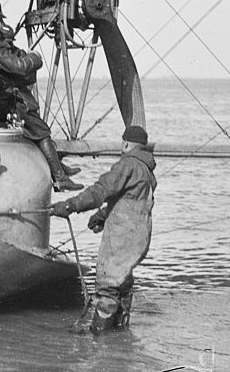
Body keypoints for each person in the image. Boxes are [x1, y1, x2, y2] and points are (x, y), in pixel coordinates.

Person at [50, 125, 156, 332]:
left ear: (125, 143)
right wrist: (101, 216)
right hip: (138, 236)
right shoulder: (146, 170)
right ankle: (120, 344)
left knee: (107, 286)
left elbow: (101, 190)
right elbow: (130, 202)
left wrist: (70, 205)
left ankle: (99, 340)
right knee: (122, 286)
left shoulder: (128, 165)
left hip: (121, 237)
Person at [0, 4, 82, 191]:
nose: (2, 23)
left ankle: (58, 167)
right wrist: (35, 59)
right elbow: (19, 66)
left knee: (37, 125)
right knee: (41, 130)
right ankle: (60, 178)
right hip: (6, 101)